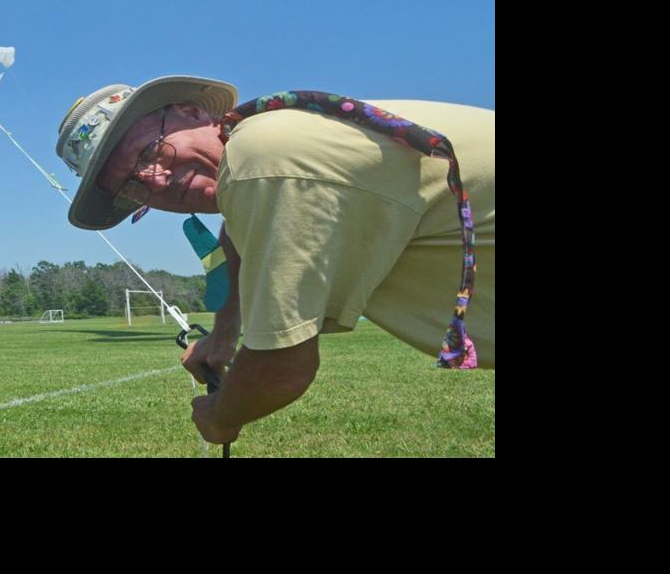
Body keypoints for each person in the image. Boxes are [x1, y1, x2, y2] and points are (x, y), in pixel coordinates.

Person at [54, 78, 494, 446]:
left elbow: (282, 368)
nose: (155, 180)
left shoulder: (263, 164)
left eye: (149, 152)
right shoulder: (265, 139)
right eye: (133, 187)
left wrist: (221, 417)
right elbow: (237, 237)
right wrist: (224, 333)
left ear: (190, 112)